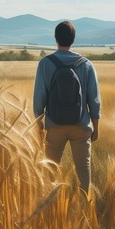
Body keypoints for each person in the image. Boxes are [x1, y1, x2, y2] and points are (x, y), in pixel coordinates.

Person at [33, 20, 101, 195]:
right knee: (83, 173)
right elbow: (94, 100)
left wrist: (39, 128)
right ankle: (85, 208)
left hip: (54, 126)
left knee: (49, 171)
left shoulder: (45, 64)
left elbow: (39, 100)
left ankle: (48, 208)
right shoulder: (86, 64)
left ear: (56, 38)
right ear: (73, 39)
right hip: (82, 126)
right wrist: (96, 127)